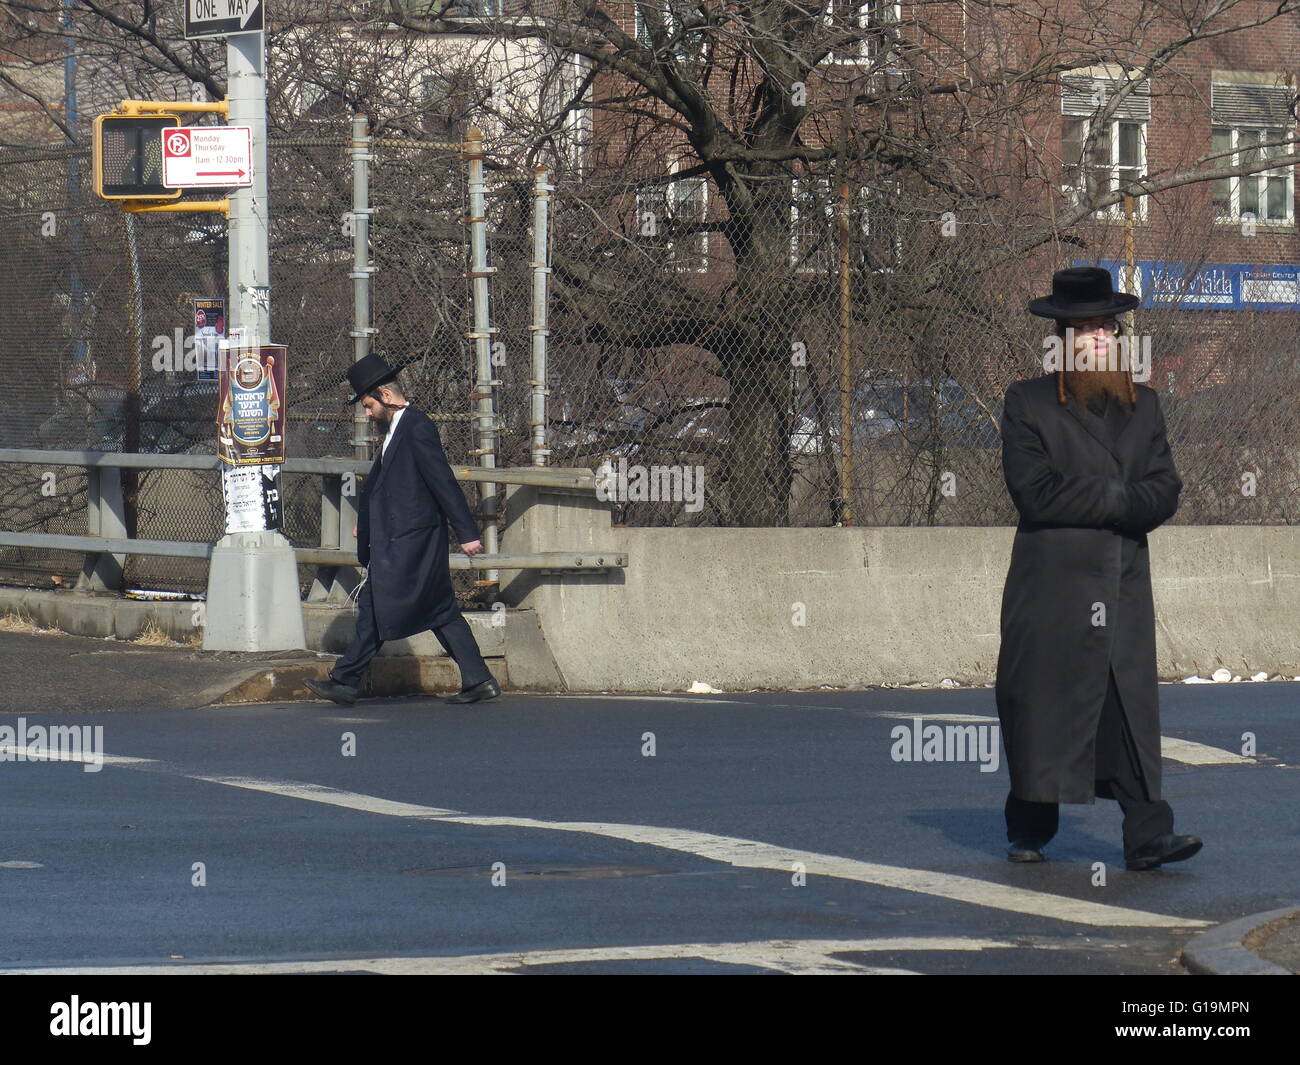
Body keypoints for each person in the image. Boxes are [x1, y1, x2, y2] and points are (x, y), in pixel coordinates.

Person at [995, 266, 1201, 872]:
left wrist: (1111, 499)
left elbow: (1164, 490)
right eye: (1084, 330)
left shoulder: (1147, 406)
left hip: (1124, 585)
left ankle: (1148, 835)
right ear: (1061, 339)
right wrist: (1119, 500)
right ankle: (1031, 823)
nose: (1098, 340)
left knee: (1130, 709)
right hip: (1054, 590)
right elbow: (1035, 494)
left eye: (1106, 328)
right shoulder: (1027, 402)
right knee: (1047, 709)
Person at [305, 353, 501, 706]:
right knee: (439, 611)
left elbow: (442, 481)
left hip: (412, 542)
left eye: (368, 405)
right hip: (398, 540)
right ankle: (479, 679)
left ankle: (346, 679)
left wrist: (467, 532)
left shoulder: (416, 426)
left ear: (386, 396)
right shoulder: (395, 431)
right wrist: (365, 525)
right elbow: (385, 488)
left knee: (377, 605)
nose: (367, 414)